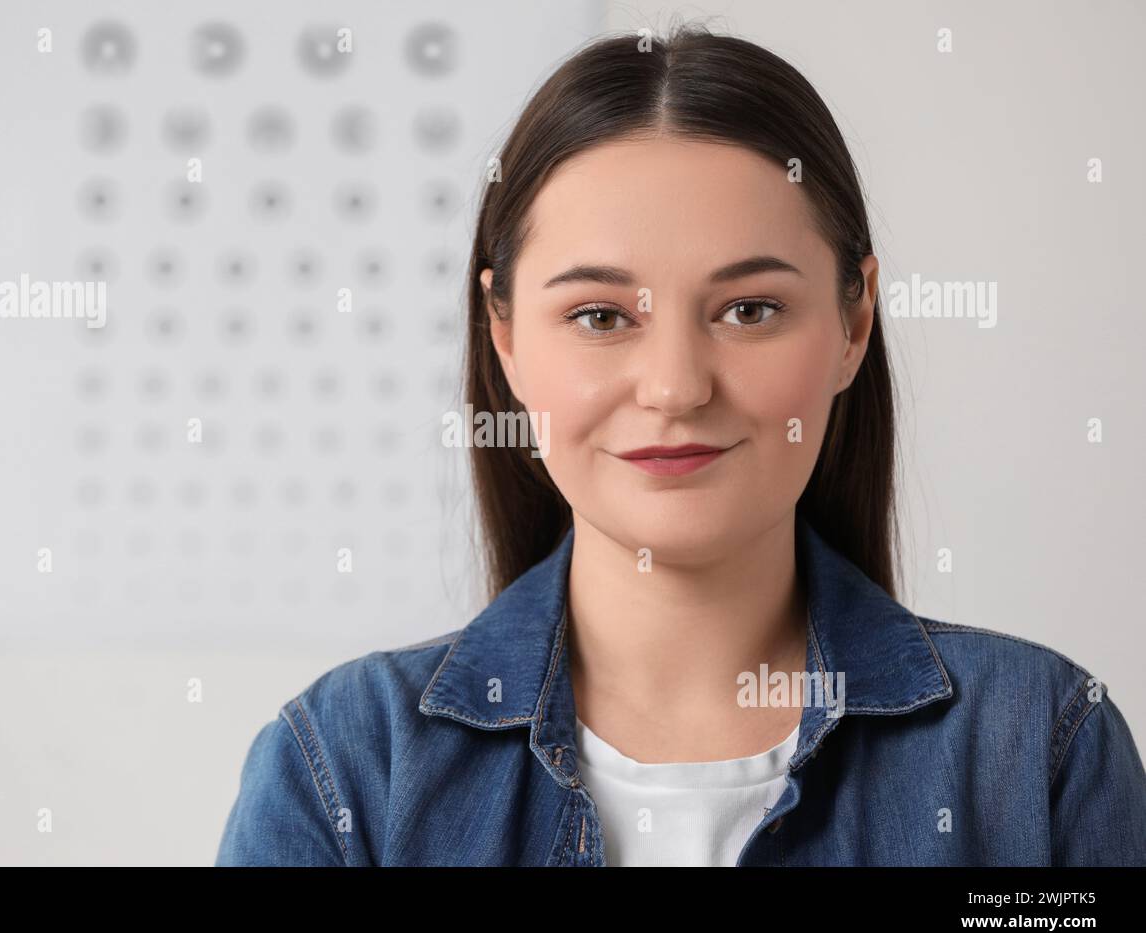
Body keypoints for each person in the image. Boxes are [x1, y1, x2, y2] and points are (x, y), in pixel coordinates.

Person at [215, 23, 1146, 866]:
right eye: (599, 315)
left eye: (750, 309)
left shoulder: (1040, 751)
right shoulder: (344, 770)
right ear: (505, 339)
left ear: (854, 323)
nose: (675, 386)